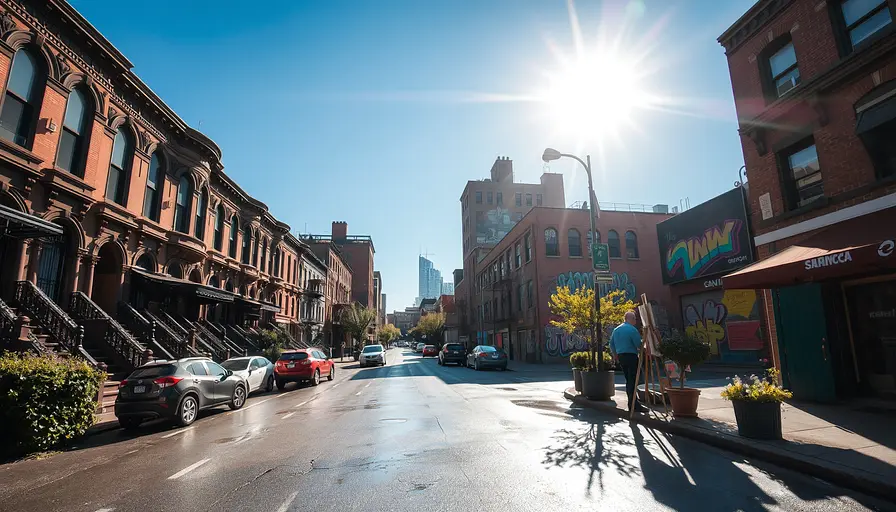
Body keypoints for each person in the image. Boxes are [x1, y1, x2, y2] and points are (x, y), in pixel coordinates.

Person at [610, 310, 648, 413]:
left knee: (629, 380)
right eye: (634, 318)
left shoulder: (616, 330)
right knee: (633, 380)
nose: (635, 321)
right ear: (629, 319)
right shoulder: (632, 330)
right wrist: (645, 347)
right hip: (631, 356)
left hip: (621, 357)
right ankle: (633, 405)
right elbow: (638, 344)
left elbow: (611, 344)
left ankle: (633, 403)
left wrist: (615, 355)